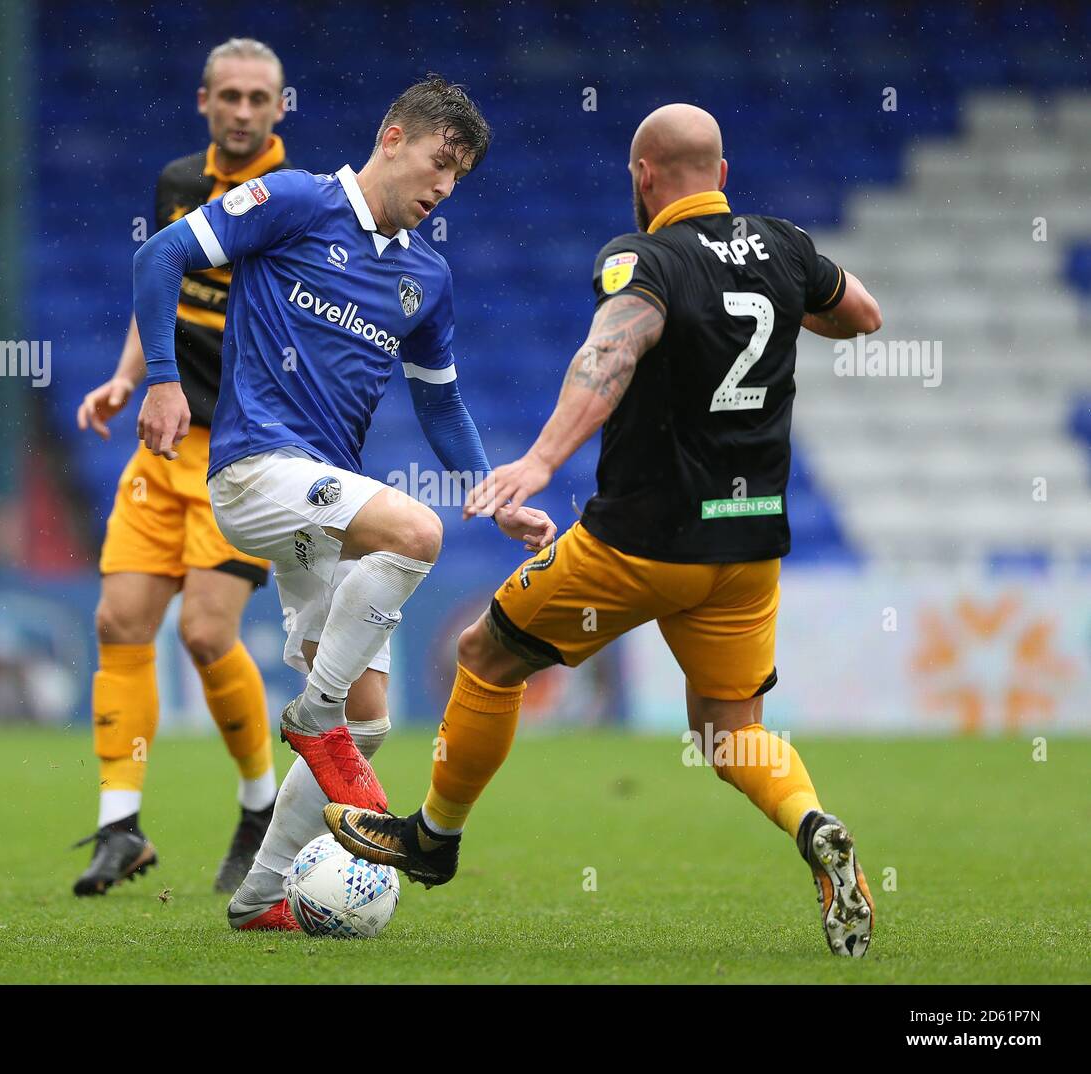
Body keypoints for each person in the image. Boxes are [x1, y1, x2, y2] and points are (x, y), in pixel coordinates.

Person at [326, 103, 884, 958]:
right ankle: (812, 823)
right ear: (722, 175)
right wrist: (779, 300)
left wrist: (540, 461)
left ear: (643, 177)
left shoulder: (643, 258)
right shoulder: (785, 245)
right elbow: (863, 316)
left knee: (485, 656)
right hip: (747, 546)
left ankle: (432, 839)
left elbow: (611, 352)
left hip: (640, 543)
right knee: (729, 730)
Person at [132, 75, 555, 929]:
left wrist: (492, 491)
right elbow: (160, 255)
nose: (445, 187)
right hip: (255, 469)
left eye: (460, 177)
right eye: (440, 163)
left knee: (369, 727)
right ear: (393, 138)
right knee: (414, 531)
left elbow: (439, 400)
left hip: (318, 506)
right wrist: (165, 380)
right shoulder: (295, 202)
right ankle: (311, 713)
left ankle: (257, 901)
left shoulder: (426, 275)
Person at [71, 39, 292, 898]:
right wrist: (127, 376)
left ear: (280, 107)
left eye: (258, 98)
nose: (242, 110)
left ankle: (260, 804)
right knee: (120, 622)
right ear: (204, 101)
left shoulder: (296, 203)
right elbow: (158, 290)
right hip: (161, 443)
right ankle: (120, 826)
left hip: (242, 455)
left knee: (205, 633)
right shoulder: (177, 183)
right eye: (229, 95)